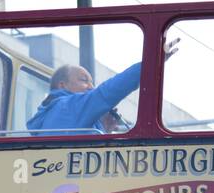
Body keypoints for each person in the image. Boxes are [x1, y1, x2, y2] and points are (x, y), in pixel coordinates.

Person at [27, 37, 178, 134]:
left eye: (92, 83)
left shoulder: (52, 116)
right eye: (84, 80)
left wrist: (103, 130)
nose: (91, 87)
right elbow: (107, 92)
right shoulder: (65, 106)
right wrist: (152, 62)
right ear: (62, 85)